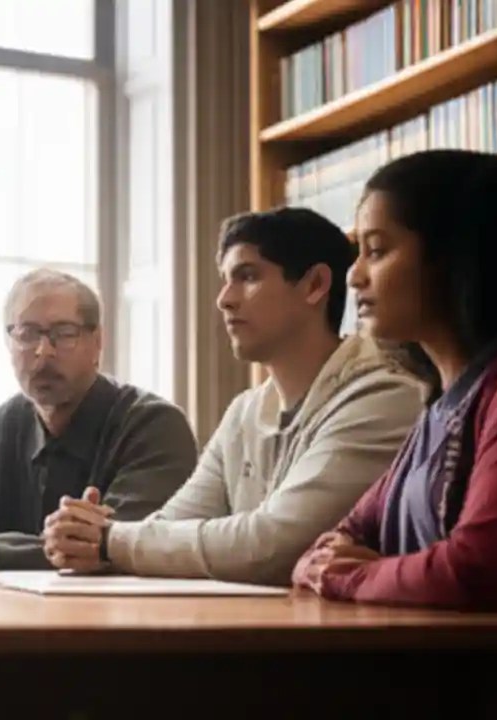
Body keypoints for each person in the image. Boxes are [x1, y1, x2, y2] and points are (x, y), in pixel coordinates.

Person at [42, 208, 424, 585]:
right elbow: (175, 523)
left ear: (315, 285)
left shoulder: (384, 395)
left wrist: (110, 539)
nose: (224, 299)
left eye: (247, 276)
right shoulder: (245, 411)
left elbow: (273, 545)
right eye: (226, 280)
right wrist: (89, 539)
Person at [293, 150, 497, 612]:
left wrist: (354, 575)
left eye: (378, 251)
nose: (355, 275)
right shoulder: (440, 406)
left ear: (457, 258)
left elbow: (479, 569)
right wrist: (334, 567)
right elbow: (322, 550)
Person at [0, 269, 198, 570]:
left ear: (97, 342)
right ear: (8, 342)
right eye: (27, 334)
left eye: (64, 333)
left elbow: (102, 546)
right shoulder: (9, 421)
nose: (44, 351)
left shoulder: (155, 426)